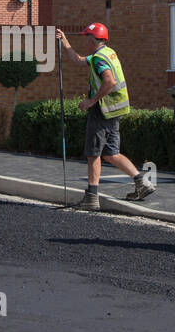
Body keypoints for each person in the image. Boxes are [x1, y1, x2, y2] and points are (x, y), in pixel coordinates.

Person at [54, 23, 155, 210]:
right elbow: (78, 60)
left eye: (86, 38)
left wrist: (91, 101)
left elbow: (109, 81)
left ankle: (92, 198)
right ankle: (142, 182)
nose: (85, 41)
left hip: (103, 110)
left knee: (93, 153)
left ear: (92, 40)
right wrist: (64, 42)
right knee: (111, 153)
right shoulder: (107, 53)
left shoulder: (99, 60)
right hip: (115, 110)